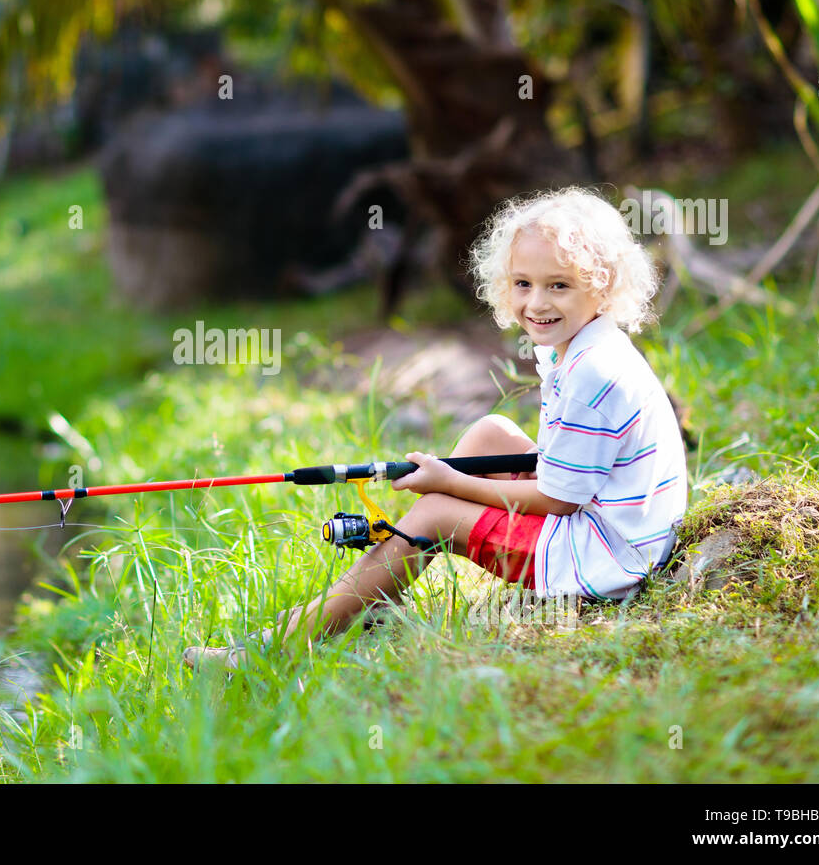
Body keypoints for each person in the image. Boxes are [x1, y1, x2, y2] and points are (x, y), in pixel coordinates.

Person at [182, 187, 688, 671]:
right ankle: (382, 585)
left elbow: (561, 500)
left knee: (436, 513)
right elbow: (568, 468)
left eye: (559, 285)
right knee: (491, 432)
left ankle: (287, 643)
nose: (537, 303)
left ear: (601, 286)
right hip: (617, 527)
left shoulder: (592, 373)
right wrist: (452, 480)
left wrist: (448, 484)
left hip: (606, 559)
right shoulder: (584, 349)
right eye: (523, 284)